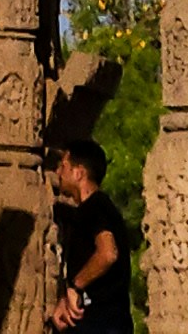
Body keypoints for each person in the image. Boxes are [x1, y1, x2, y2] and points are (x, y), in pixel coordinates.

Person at [49, 141, 133, 334]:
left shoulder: (97, 207)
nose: (58, 172)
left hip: (104, 324)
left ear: (79, 173)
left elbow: (107, 253)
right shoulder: (90, 211)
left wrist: (75, 287)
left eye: (63, 166)